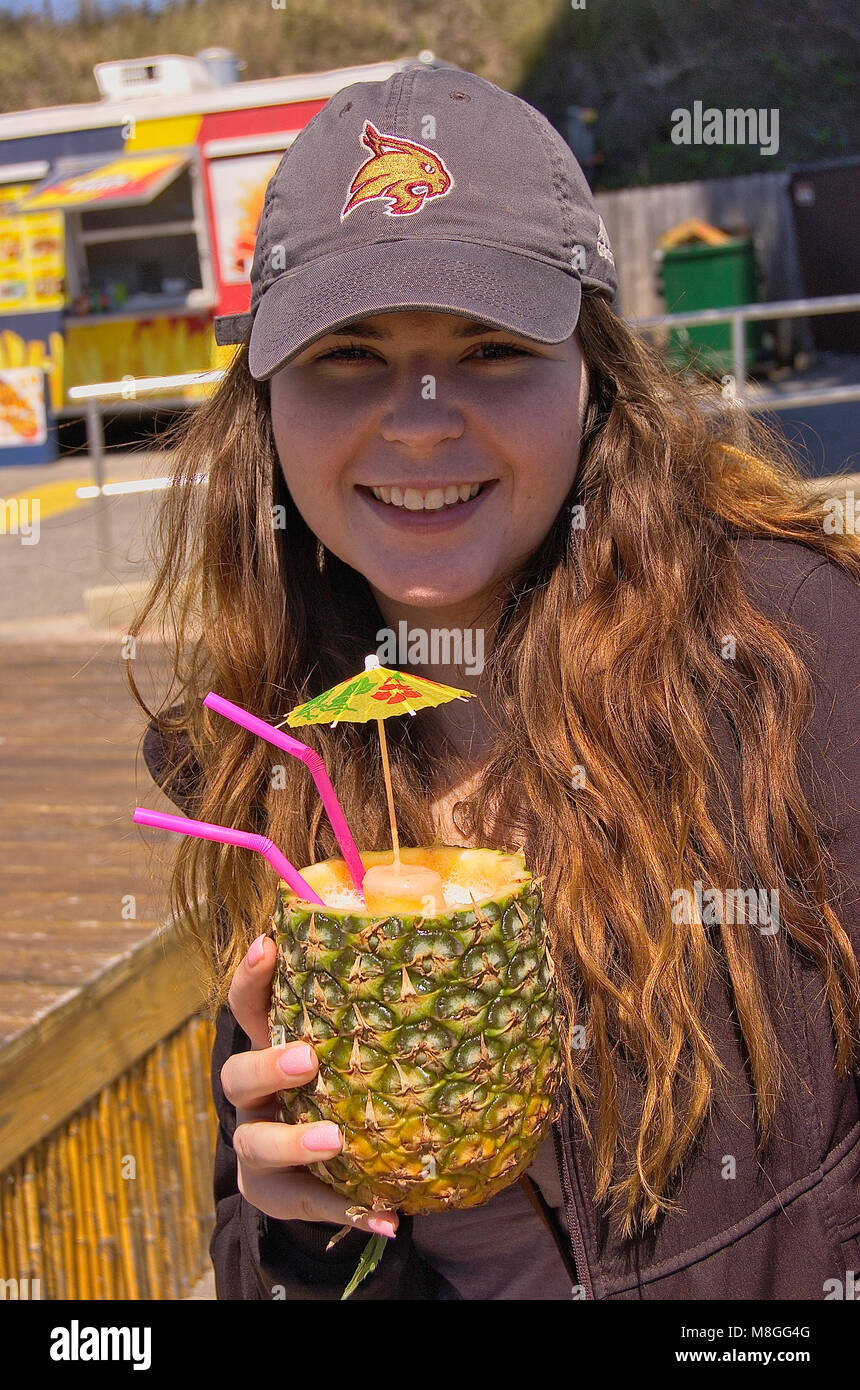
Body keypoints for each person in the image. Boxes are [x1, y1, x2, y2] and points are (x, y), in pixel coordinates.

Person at [130, 63, 860, 1300]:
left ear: (591, 377)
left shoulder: (800, 656)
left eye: (490, 346)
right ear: (263, 402)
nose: (420, 419)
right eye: (349, 354)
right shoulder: (269, 756)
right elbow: (253, 1246)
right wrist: (307, 1240)